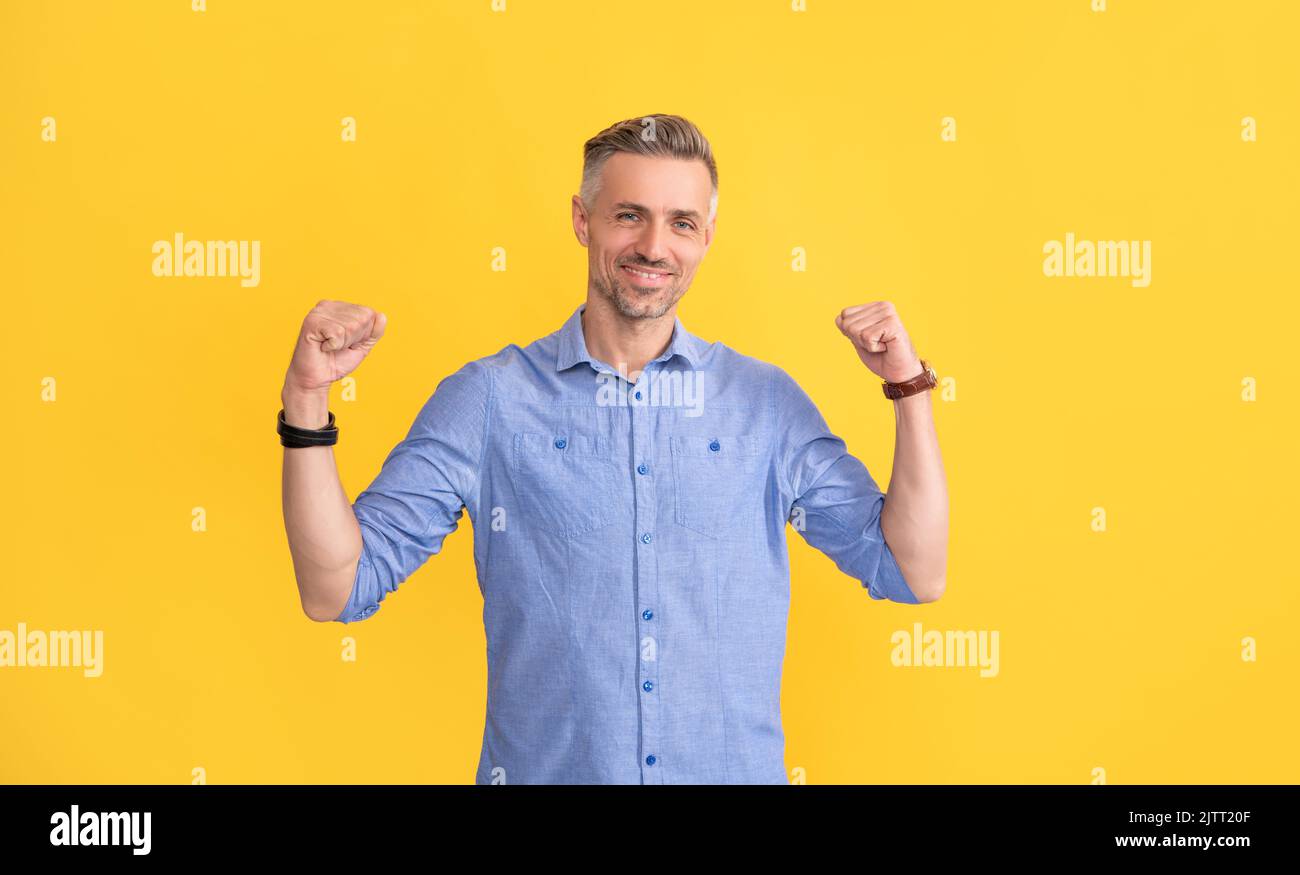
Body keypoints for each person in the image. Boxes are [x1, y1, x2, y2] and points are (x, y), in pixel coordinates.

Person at [278, 113, 948, 784]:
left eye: (682, 223)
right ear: (582, 220)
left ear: (706, 238)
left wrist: (908, 387)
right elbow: (336, 587)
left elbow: (912, 569)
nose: (654, 246)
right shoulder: (488, 401)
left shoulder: (766, 406)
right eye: (629, 215)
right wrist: (308, 401)